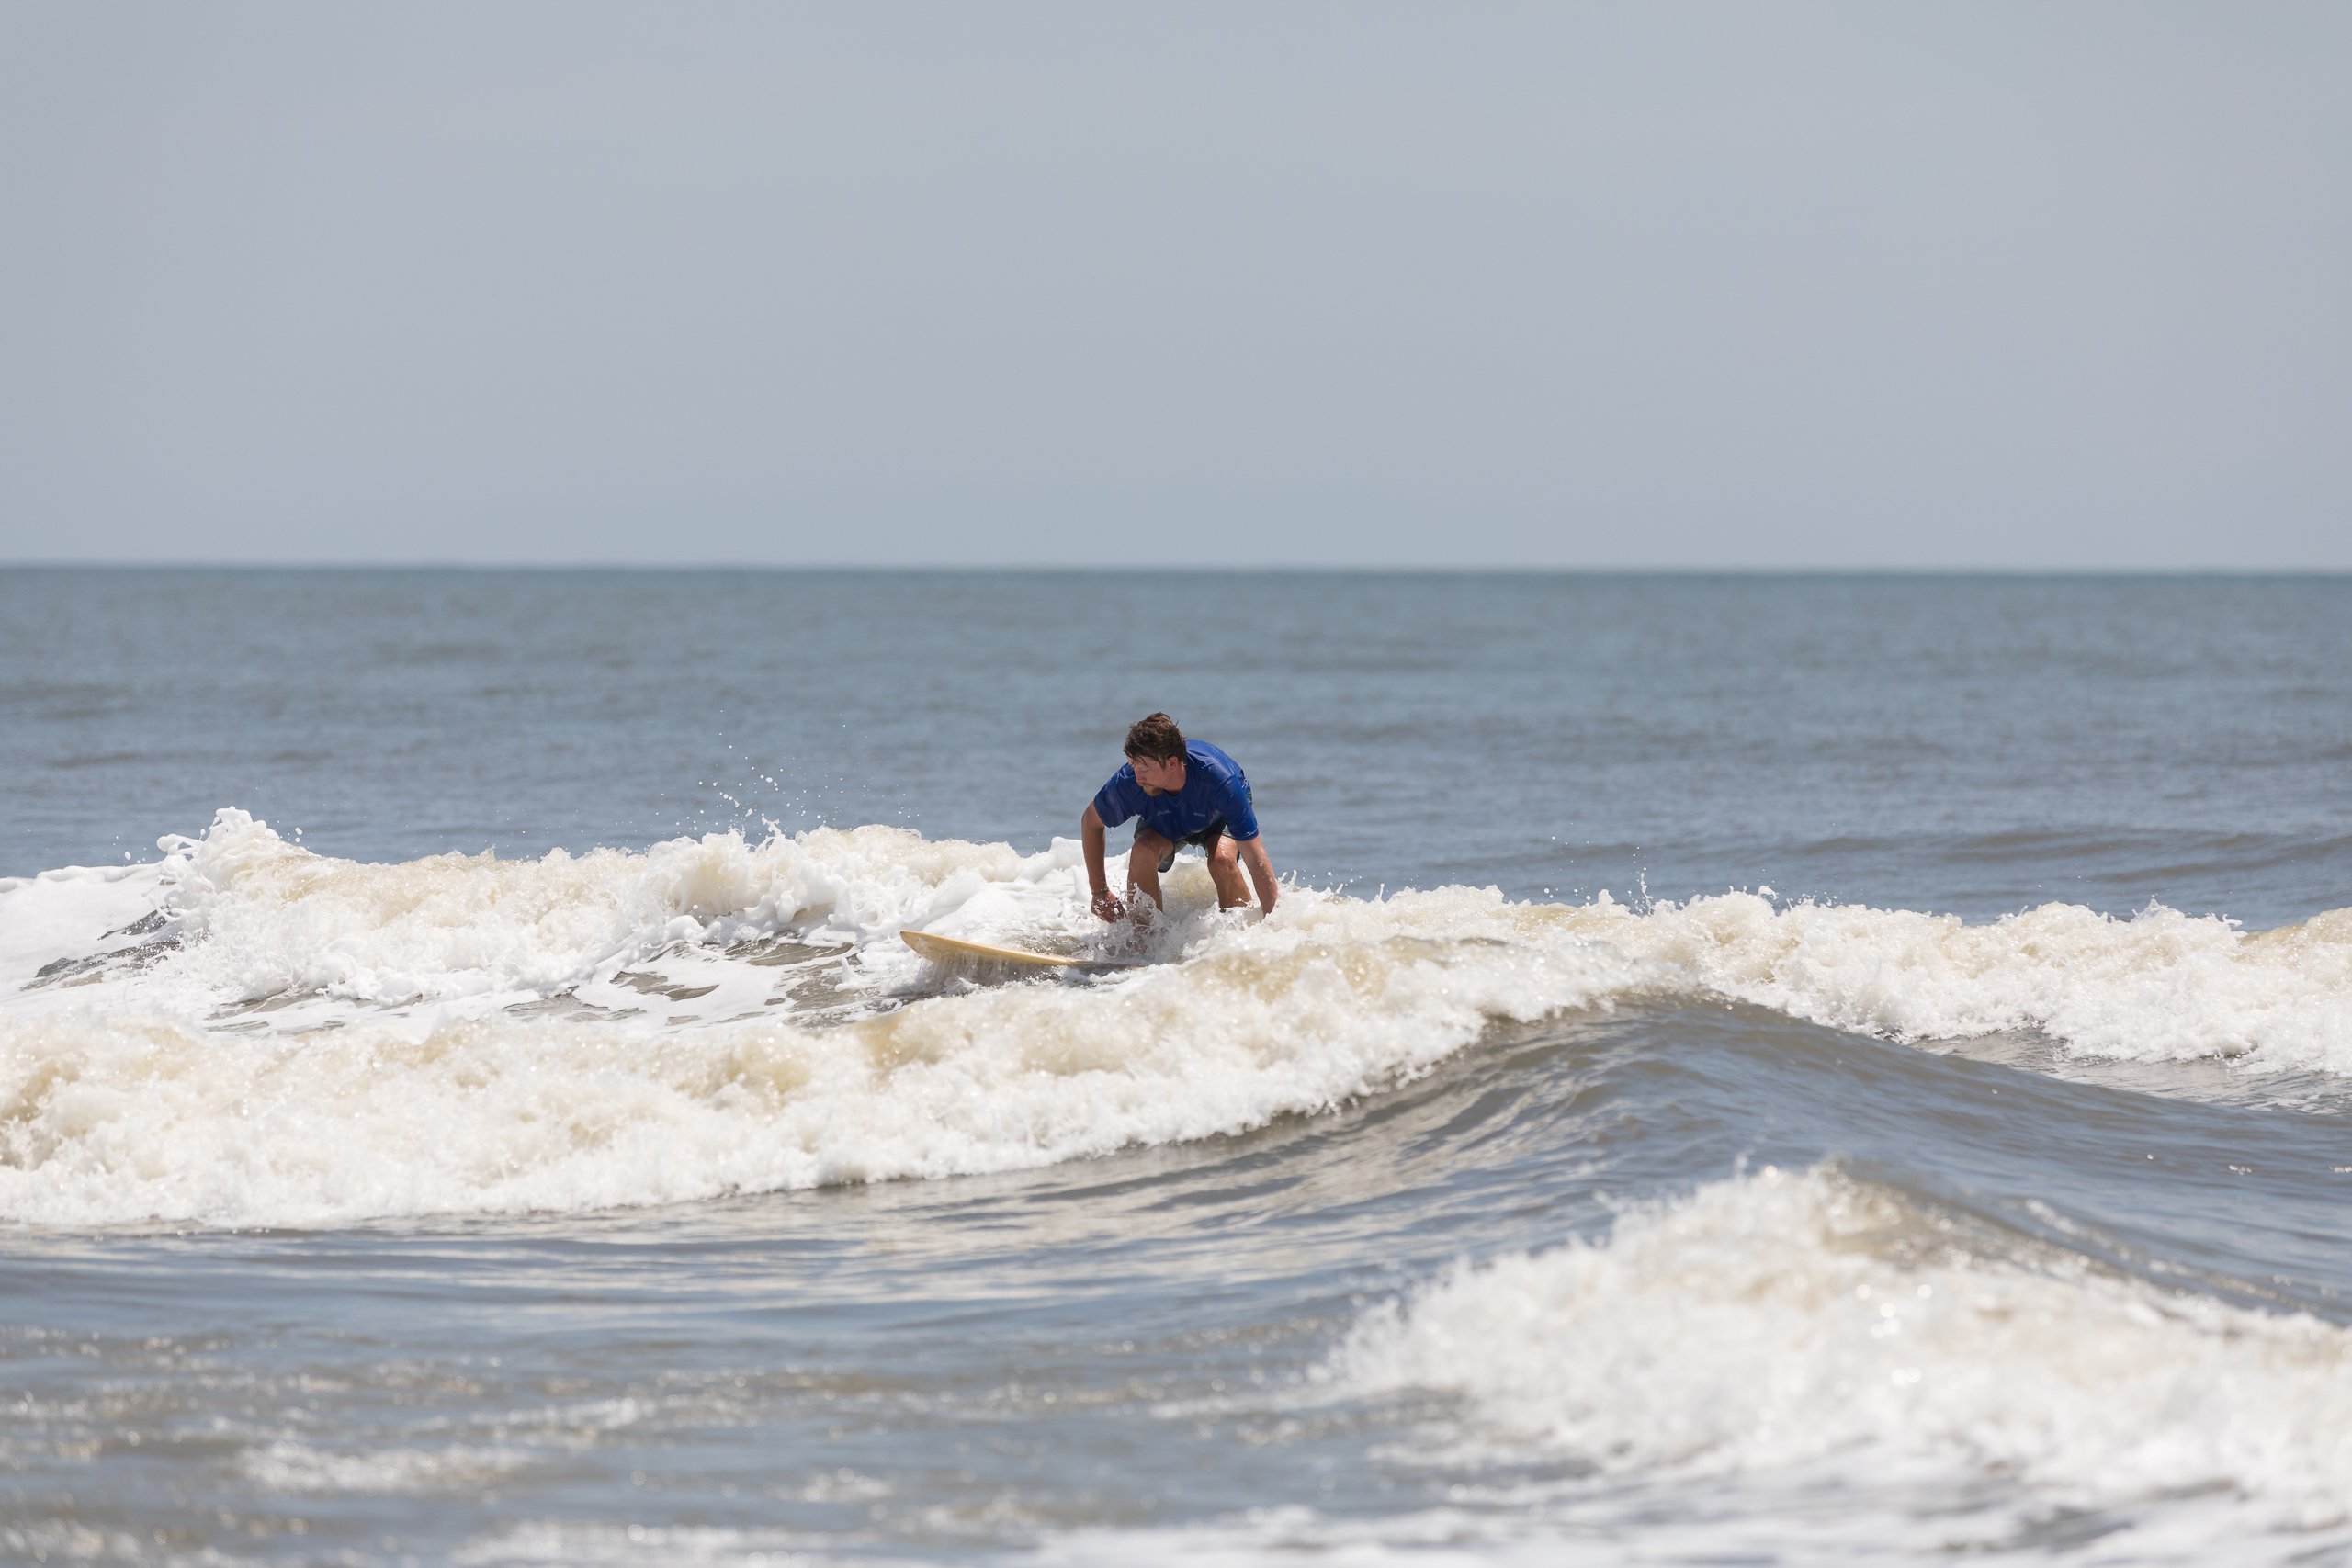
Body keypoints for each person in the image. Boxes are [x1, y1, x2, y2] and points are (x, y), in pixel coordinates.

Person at [1082, 713, 1276, 921]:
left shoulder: (1219, 781)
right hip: (1164, 819)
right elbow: (1091, 822)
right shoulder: (1131, 782)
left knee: (1222, 860)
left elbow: (1255, 856)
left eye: (1144, 767)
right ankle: (1143, 944)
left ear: (1172, 763)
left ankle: (1243, 936)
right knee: (1142, 852)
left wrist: (1273, 923)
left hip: (1216, 816)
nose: (1137, 776)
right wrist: (1099, 892)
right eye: (1132, 765)